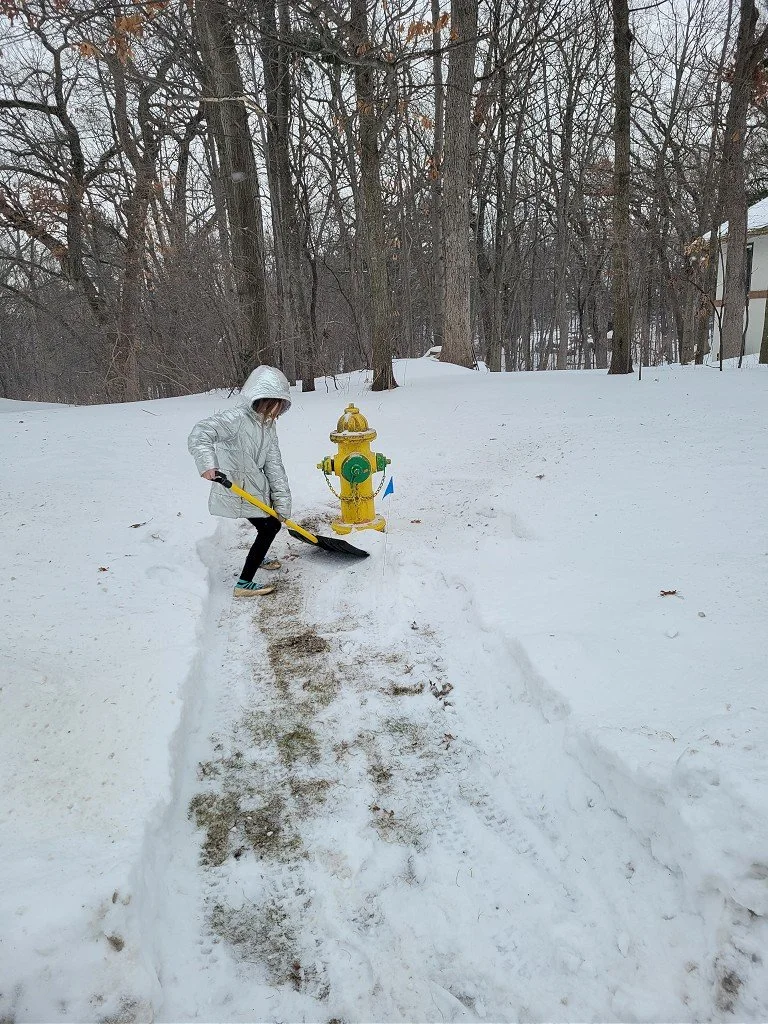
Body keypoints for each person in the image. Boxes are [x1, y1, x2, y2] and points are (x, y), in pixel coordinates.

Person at [188, 366, 292, 597]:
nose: (280, 410)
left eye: (283, 405)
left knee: (267, 523)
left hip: (255, 490)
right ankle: (244, 583)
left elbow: (274, 465)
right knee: (270, 527)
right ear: (265, 399)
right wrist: (207, 464)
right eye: (278, 404)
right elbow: (201, 432)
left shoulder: (268, 425)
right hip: (236, 488)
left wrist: (282, 503)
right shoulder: (235, 419)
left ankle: (260, 555)